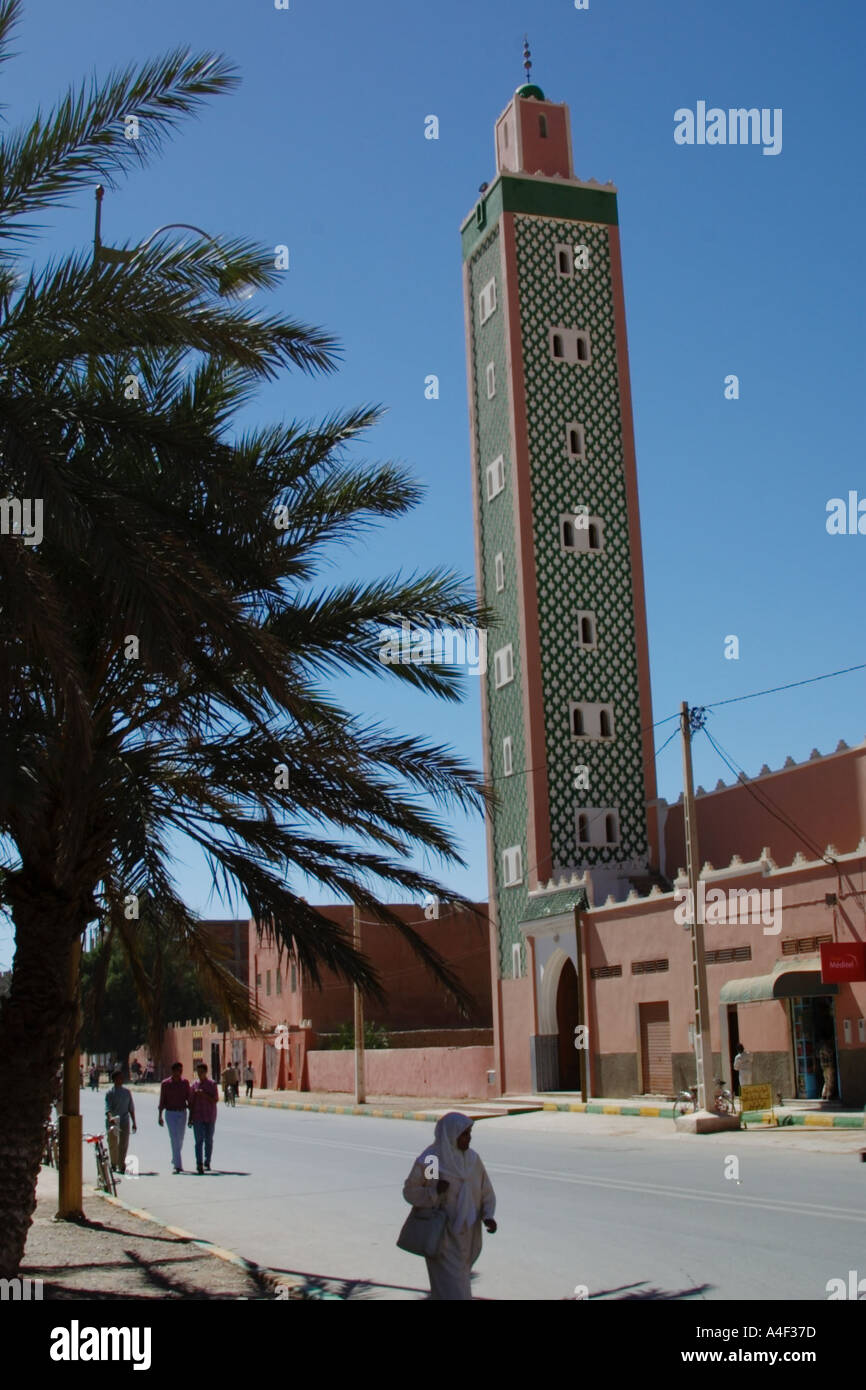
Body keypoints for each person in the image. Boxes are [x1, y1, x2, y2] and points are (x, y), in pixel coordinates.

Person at [402, 1112, 496, 1300]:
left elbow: (485, 1188)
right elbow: (413, 1191)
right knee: (454, 1290)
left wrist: (488, 1215)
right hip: (443, 1235)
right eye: (464, 1134)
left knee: (456, 1286)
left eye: (469, 1133)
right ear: (450, 1134)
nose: (468, 1138)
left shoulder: (472, 1159)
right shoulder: (433, 1159)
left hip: (468, 1234)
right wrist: (435, 1191)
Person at [158, 1061, 191, 1173]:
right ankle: (178, 1165)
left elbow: (189, 1099)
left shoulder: (185, 1083)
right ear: (173, 1071)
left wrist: (191, 1115)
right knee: (174, 1138)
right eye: (178, 1070)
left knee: (180, 1138)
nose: (180, 1072)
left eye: (181, 1070)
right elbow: (162, 1100)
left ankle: (175, 1158)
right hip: (170, 1113)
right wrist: (160, 1116)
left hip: (182, 1112)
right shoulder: (165, 1083)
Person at [189, 1062, 219, 1174]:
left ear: (206, 1072)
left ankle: (207, 1161)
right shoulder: (194, 1085)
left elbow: (215, 1100)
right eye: (198, 1072)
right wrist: (190, 1118)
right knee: (198, 1141)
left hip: (210, 1116)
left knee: (209, 1140)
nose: (200, 1074)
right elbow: (191, 1102)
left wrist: (204, 1095)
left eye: (202, 1072)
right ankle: (199, 1163)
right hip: (197, 1116)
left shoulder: (212, 1084)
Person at [105, 1069, 137, 1174]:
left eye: (122, 1078)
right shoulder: (110, 1093)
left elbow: (131, 1108)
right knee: (113, 1143)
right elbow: (107, 1108)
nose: (121, 1079)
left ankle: (121, 1164)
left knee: (123, 1143)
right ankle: (114, 1163)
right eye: (119, 1078)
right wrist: (110, 1118)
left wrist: (134, 1122)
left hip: (124, 1120)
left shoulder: (127, 1092)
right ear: (114, 1080)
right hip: (113, 1121)